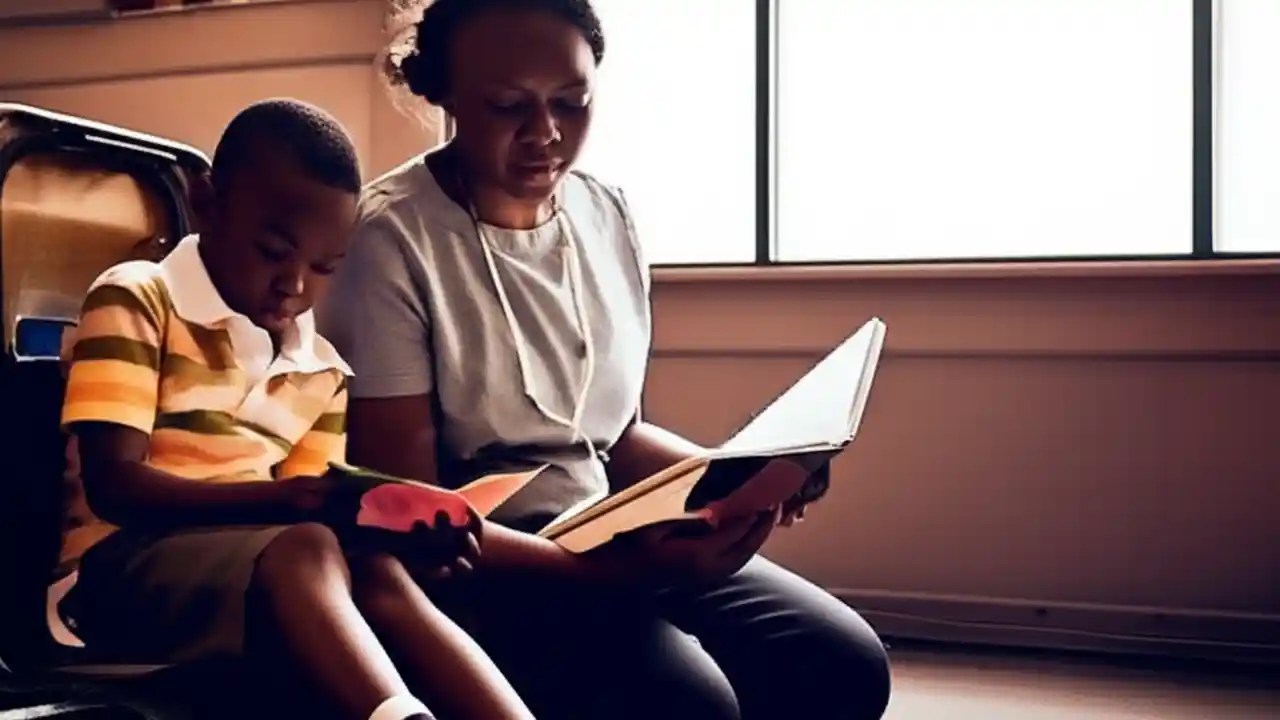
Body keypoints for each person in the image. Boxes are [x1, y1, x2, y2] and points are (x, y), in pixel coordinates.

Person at [318, 1, 894, 718]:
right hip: (478, 562)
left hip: (609, 528)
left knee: (841, 665)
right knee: (687, 702)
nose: (545, 134)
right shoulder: (389, 241)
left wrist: (738, 481)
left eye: (572, 102)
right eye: (507, 106)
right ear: (444, 93)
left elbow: (613, 436)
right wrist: (600, 570)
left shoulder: (606, 216)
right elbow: (411, 510)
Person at [54, 99, 535, 720]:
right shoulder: (138, 297)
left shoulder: (324, 370)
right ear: (207, 204)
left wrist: (391, 528)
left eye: (323, 268)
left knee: (377, 567)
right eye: (273, 250)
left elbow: (314, 512)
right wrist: (293, 501)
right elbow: (114, 487)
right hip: (116, 576)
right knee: (307, 545)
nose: (296, 286)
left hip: (258, 566)